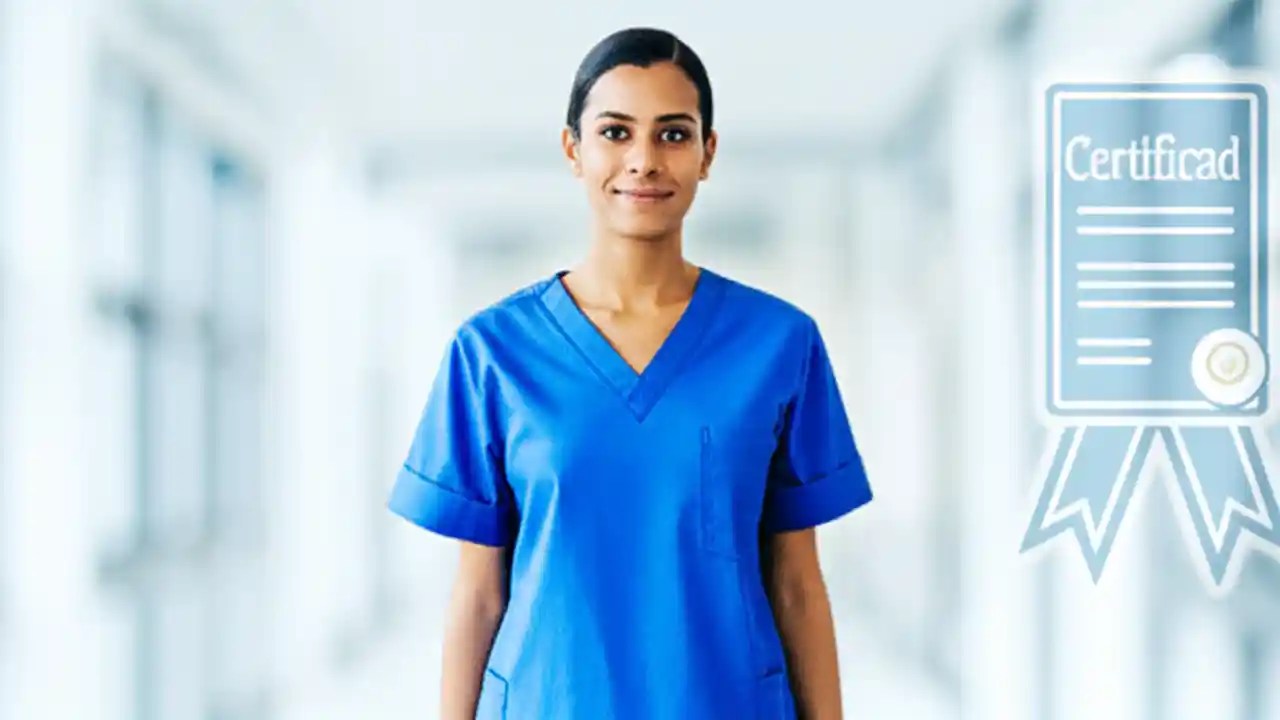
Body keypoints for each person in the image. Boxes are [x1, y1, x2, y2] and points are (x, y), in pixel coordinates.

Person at [387, 26, 874, 720]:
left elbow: (796, 582)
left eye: (673, 135)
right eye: (615, 133)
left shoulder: (780, 345)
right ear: (573, 150)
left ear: (707, 153)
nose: (644, 160)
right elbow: (477, 592)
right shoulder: (492, 352)